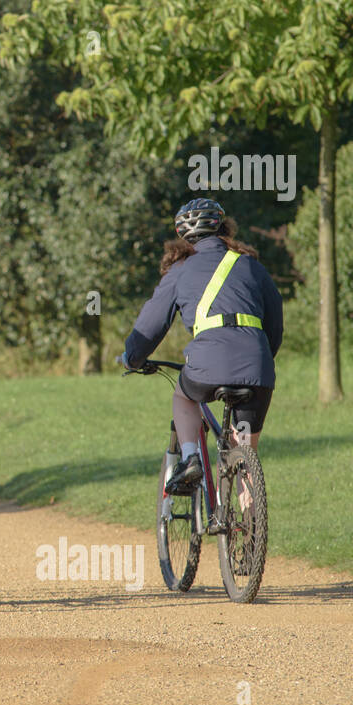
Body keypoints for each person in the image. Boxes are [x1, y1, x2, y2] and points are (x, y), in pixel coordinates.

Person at [120, 198, 284, 495]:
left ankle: (191, 457)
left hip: (206, 367)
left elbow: (150, 324)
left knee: (184, 396)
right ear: (224, 229)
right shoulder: (249, 264)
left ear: (182, 236)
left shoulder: (181, 269)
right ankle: (250, 533)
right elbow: (275, 323)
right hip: (256, 369)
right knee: (245, 457)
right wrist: (259, 361)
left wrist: (132, 358)